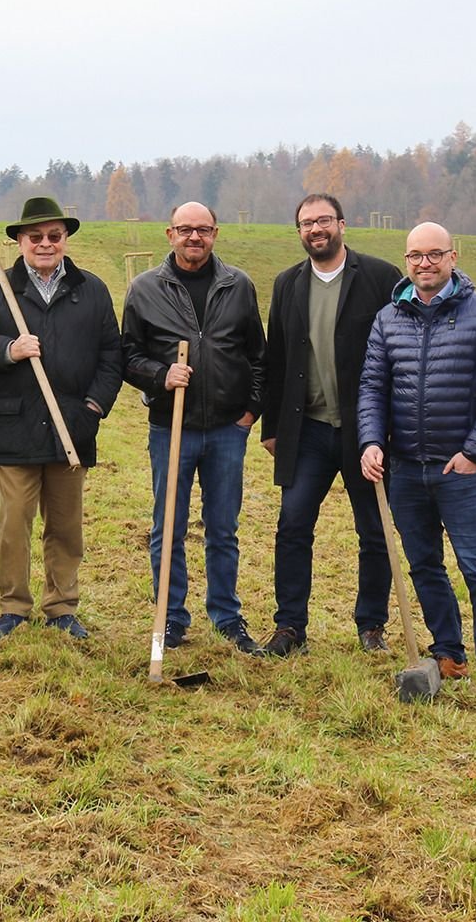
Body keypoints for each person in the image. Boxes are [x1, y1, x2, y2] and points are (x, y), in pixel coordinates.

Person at [358, 222, 476, 711]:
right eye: (414, 256)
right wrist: (370, 441)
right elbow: (372, 387)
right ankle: (448, 651)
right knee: (425, 565)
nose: (423, 263)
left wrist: (474, 452)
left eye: (433, 254)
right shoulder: (388, 318)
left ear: (453, 255)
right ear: (406, 260)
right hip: (405, 470)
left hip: (461, 472)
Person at [0, 196, 123, 641]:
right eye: (36, 237)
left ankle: (62, 606)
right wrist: (9, 350)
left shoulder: (92, 290)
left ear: (65, 240)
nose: (45, 244)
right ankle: (13, 607)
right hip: (16, 427)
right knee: (14, 523)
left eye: (54, 236)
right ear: (20, 241)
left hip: (73, 425)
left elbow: (112, 357)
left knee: (66, 525)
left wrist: (93, 409)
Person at [257, 194, 403, 656]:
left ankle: (371, 625)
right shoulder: (287, 284)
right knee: (292, 525)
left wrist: (390, 428)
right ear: (298, 231)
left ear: (342, 224)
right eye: (305, 223)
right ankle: (290, 628)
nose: (315, 229)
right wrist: (271, 427)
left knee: (374, 528)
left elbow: (400, 353)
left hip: (366, 432)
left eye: (323, 221)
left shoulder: (380, 278)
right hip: (308, 431)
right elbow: (276, 356)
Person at [121, 201, 265, 654]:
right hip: (171, 427)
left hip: (226, 429)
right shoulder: (145, 288)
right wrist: (160, 375)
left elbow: (258, 356)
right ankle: (171, 618)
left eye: (203, 230)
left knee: (223, 527)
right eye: (185, 230)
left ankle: (227, 616)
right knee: (169, 527)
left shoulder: (237, 285)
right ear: (169, 234)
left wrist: (250, 413)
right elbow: (126, 356)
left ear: (216, 233)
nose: (194, 238)